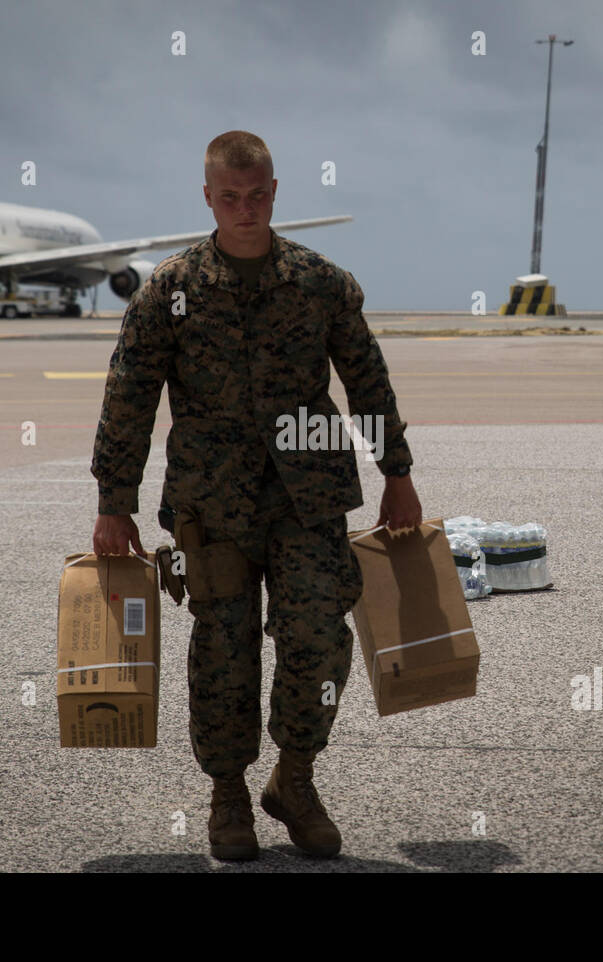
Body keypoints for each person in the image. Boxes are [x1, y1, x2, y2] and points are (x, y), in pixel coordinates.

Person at [91, 130, 421, 860]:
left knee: (317, 640)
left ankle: (295, 779)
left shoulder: (320, 282)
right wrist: (115, 500)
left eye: (258, 194)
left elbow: (366, 378)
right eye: (230, 197)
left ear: (276, 192)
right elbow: (130, 396)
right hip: (211, 507)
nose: (245, 209)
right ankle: (228, 792)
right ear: (208, 196)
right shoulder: (169, 290)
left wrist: (397, 473)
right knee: (223, 651)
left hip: (309, 498)